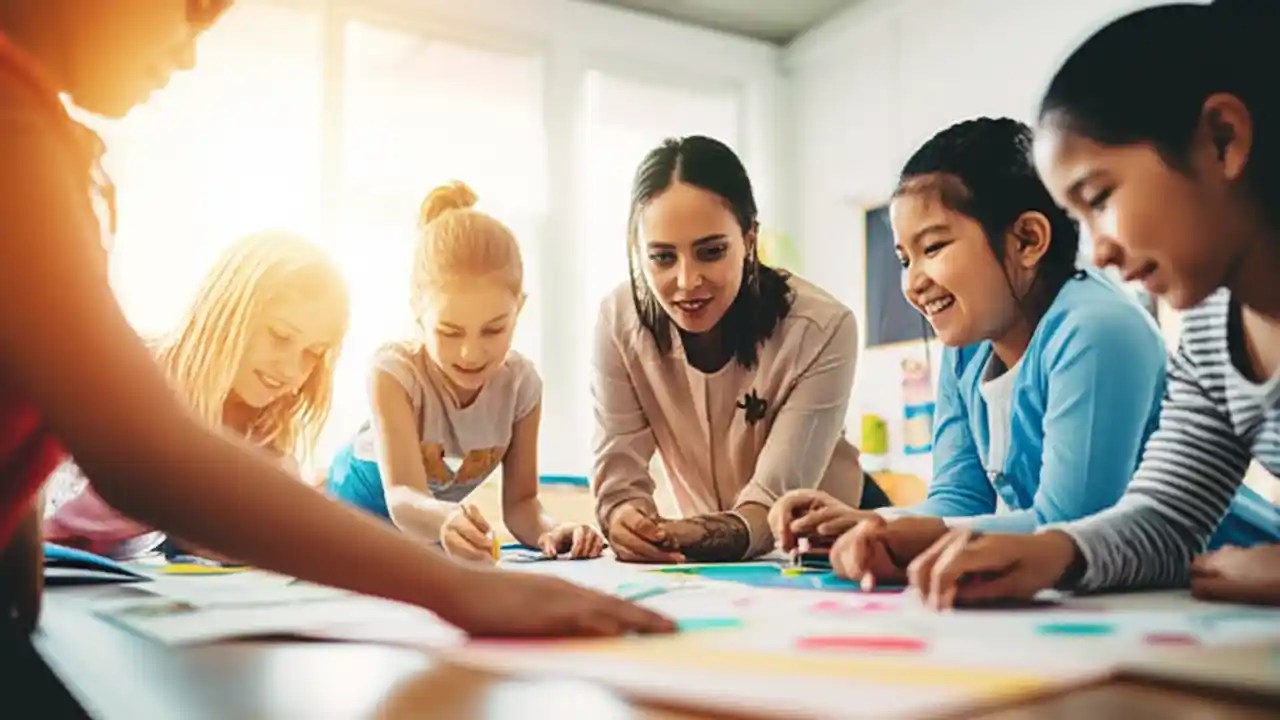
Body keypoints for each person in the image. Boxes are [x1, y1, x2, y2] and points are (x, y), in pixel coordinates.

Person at [0, 0, 671, 637]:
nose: (187, 55)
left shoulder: (38, 130)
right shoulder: (17, 135)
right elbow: (143, 453)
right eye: (193, 9)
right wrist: (458, 589)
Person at [904, 0, 1280, 609]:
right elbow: (1166, 519)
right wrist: (1052, 553)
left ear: (1221, 140)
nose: (1099, 251)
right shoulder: (1213, 339)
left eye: (1100, 198)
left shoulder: (1097, 325)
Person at [772, 118, 1168, 588]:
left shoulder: (1096, 329)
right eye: (904, 259)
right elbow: (956, 501)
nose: (912, 283)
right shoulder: (968, 349)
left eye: (933, 247)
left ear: (1027, 240)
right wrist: (867, 525)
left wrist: (906, 533)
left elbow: (1070, 527)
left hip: (1197, 583)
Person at [593, 135, 864, 563]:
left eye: (711, 252)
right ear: (637, 251)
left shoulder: (823, 328)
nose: (687, 281)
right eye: (662, 258)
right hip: (711, 561)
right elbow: (618, 484)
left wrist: (674, 535)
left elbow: (772, 506)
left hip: (831, 550)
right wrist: (626, 520)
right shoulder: (618, 322)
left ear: (749, 238)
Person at [328, 182, 603, 562]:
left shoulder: (522, 387)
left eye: (493, 330)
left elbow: (522, 505)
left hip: (421, 538)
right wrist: (446, 519)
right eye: (449, 332)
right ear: (418, 313)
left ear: (519, 309)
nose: (471, 353)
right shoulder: (393, 372)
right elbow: (403, 496)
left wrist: (553, 531)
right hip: (344, 513)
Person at [44, 231, 347, 559]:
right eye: (279, 335)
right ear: (227, 314)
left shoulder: (262, 438)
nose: (290, 369)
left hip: (107, 577)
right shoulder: (126, 375)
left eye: (313, 353)